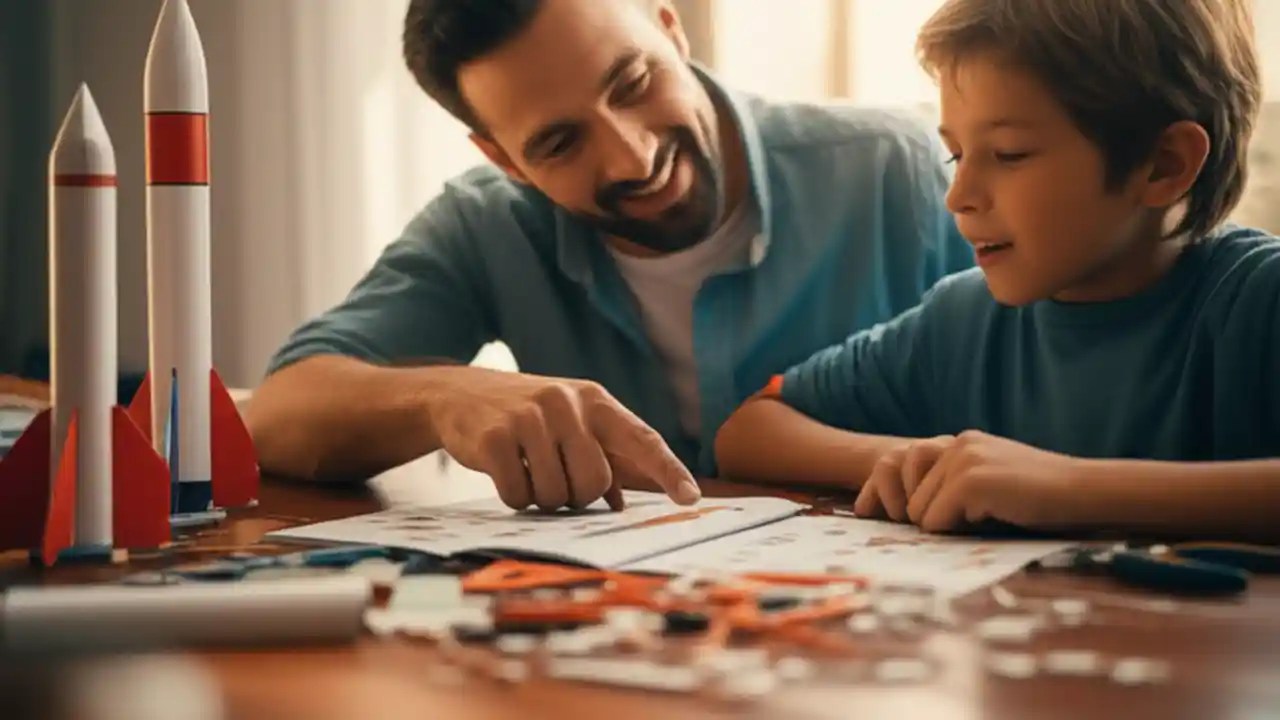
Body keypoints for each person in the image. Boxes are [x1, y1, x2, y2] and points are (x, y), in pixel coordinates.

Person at [246, 0, 971, 512]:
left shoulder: (903, 172)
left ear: (669, 28)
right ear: (505, 160)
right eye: (560, 143)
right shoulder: (485, 225)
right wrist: (447, 395)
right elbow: (275, 415)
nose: (634, 157)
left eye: (633, 83)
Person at [716, 0, 1280, 543]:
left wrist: (1070, 488)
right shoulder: (960, 321)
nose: (958, 196)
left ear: (1165, 165)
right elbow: (749, 431)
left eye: (1009, 154)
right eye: (956, 155)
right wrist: (916, 463)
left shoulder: (1257, 302)